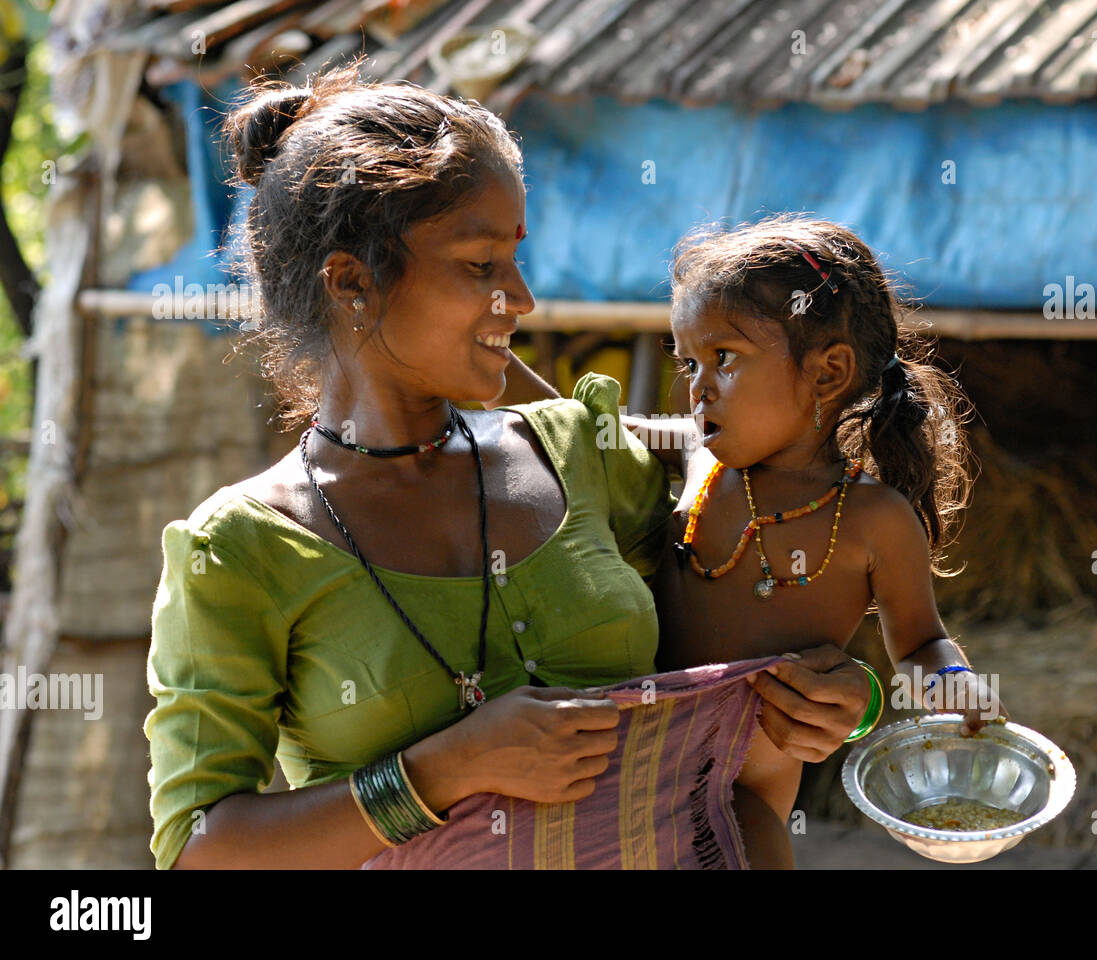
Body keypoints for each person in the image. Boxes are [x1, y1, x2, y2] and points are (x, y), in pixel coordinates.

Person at [144, 65, 871, 870]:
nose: (521, 298)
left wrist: (842, 699)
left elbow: (738, 642)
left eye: (515, 261)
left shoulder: (577, 455)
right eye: (481, 265)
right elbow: (198, 849)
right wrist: (445, 768)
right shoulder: (245, 549)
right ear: (352, 283)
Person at [500, 212, 1010, 868]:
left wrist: (956, 687)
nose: (696, 387)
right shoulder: (694, 457)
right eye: (688, 362)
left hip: (742, 789)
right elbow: (569, 432)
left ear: (827, 373)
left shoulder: (874, 520)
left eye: (724, 358)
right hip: (629, 764)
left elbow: (920, 640)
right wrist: (486, 351)